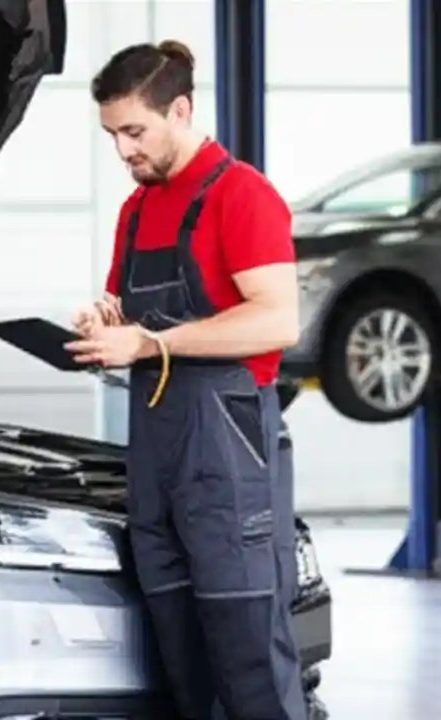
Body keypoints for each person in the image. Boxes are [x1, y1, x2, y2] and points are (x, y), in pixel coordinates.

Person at [65, 39, 306, 720]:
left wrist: (150, 341)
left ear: (180, 110)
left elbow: (278, 321)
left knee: (250, 656)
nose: (123, 151)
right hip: (158, 454)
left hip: (228, 452)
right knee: (181, 663)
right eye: (113, 135)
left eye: (134, 132)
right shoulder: (136, 210)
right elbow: (129, 312)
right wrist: (104, 319)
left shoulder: (243, 196)